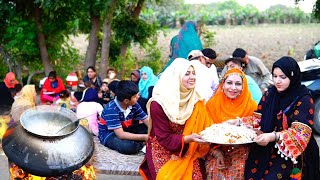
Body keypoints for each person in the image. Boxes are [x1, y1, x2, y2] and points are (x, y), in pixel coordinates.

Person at [241, 56, 320, 179]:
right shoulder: (270, 94)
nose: (277, 81)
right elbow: (258, 118)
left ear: (292, 77)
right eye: (275, 76)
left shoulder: (303, 99)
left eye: (283, 77)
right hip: (266, 148)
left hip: (293, 153)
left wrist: (274, 136)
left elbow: (300, 133)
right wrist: (239, 122)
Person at [139, 58, 213, 180]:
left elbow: (206, 125)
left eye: (194, 73)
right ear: (176, 76)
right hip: (163, 146)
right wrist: (188, 138)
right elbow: (164, 138)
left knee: (196, 176)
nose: (192, 77)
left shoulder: (196, 99)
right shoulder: (159, 103)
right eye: (187, 73)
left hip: (188, 147)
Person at [205, 68, 257, 179]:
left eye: (238, 84)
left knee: (239, 169)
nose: (233, 88)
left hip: (243, 150)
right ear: (222, 85)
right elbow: (205, 134)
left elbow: (257, 129)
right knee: (215, 170)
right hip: (215, 150)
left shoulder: (251, 106)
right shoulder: (211, 105)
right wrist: (216, 153)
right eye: (229, 83)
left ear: (244, 87)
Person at [98, 80, 149, 155]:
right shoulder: (111, 109)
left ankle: (141, 141)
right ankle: (141, 143)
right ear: (126, 101)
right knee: (128, 147)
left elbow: (146, 119)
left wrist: (155, 132)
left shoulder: (134, 104)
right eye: (135, 96)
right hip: (110, 134)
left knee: (151, 127)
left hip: (126, 129)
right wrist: (145, 137)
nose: (138, 97)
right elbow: (120, 134)